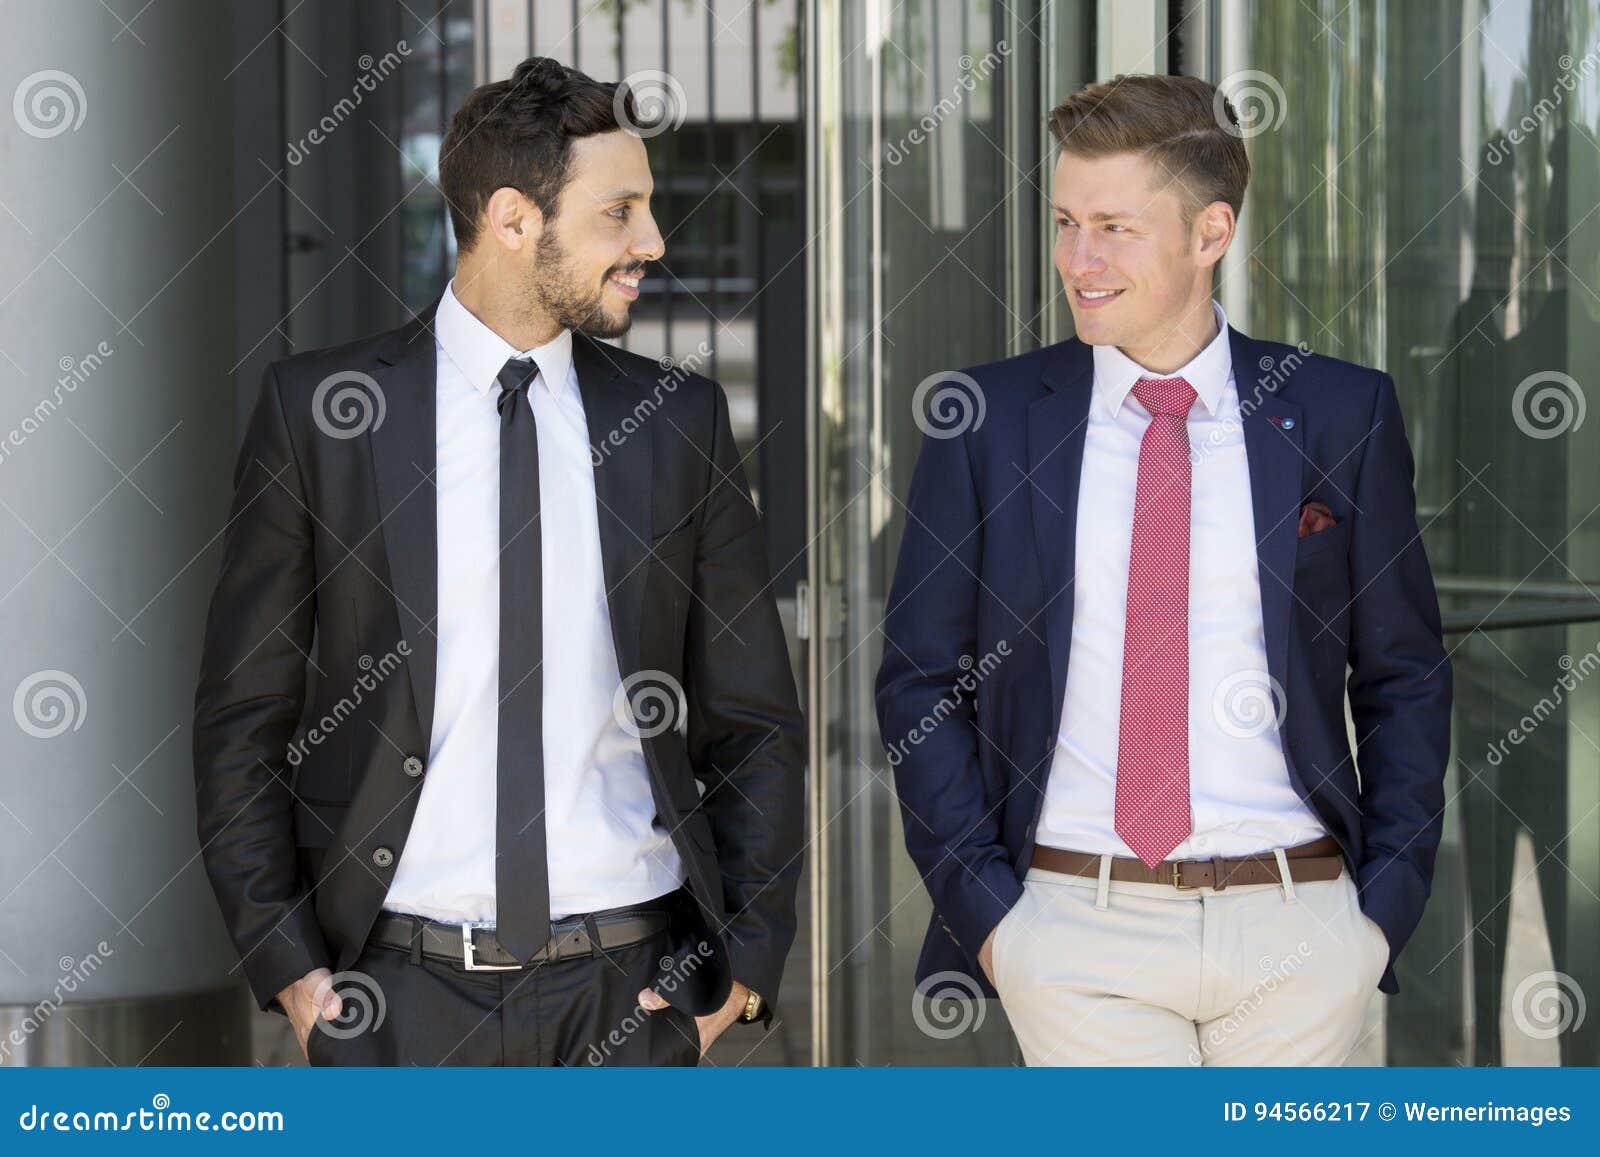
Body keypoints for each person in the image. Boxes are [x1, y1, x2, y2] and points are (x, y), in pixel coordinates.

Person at [194, 56, 804, 1066]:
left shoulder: (675, 423)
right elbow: (241, 716)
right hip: (395, 1001)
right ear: (514, 219)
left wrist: (737, 978)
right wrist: (293, 968)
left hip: (632, 991)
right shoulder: (324, 417)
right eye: (620, 212)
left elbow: (757, 723)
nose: (652, 241)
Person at [875, 73, 1451, 1066]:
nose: (1078, 259)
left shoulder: (1339, 413)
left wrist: (1376, 917)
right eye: (1066, 223)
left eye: (1115, 228)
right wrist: (996, 920)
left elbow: (1404, 673)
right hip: (1074, 927)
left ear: (1209, 233)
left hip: (1299, 925)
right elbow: (920, 682)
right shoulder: (986, 422)